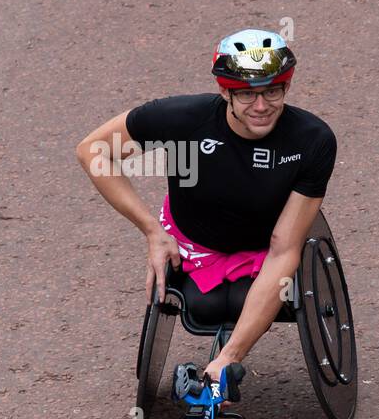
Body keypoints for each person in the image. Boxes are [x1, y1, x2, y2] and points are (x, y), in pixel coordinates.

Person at [75, 29, 337, 381]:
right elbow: (92, 151)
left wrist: (229, 358)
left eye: (272, 91)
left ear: (286, 88)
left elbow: (284, 249)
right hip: (192, 241)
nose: (261, 107)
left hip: (265, 248)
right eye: (246, 94)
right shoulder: (183, 120)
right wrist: (152, 231)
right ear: (225, 90)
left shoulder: (313, 141)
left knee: (239, 301)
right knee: (205, 304)